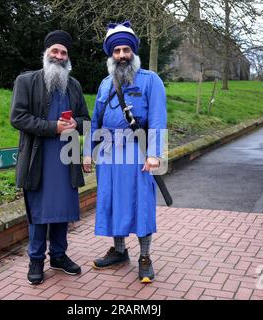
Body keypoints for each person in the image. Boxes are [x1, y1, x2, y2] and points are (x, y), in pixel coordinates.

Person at [83, 21, 167, 283]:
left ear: (133, 52)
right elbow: (95, 120)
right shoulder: (105, 84)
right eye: (116, 50)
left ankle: (144, 258)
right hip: (108, 154)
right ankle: (119, 251)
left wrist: (154, 153)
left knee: (140, 203)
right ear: (111, 54)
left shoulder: (150, 80)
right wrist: (87, 151)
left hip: (136, 153)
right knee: (111, 202)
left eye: (125, 50)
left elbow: (157, 118)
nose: (121, 55)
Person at [10, 30, 90, 285]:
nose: (59, 56)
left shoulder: (74, 85)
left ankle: (58, 255)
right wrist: (52, 127)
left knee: (62, 212)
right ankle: (36, 260)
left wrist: (72, 124)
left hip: (66, 160)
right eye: (54, 51)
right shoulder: (26, 81)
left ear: (68, 57)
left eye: (63, 52)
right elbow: (18, 117)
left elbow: (86, 122)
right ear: (46, 53)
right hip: (38, 159)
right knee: (39, 212)